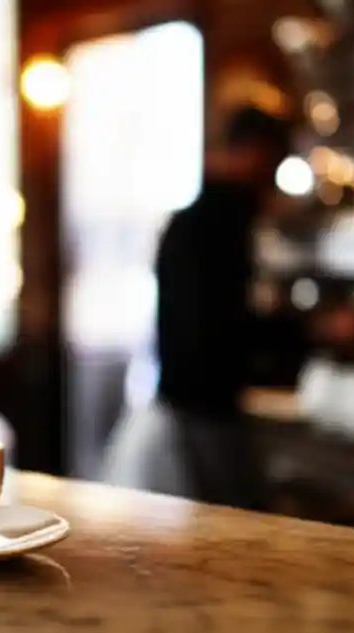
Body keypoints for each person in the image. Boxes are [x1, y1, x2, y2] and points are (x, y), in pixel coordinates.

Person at [103, 106, 292, 510]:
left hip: (188, 407)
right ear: (253, 152)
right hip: (203, 413)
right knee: (233, 534)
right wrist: (307, 335)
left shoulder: (191, 222)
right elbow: (219, 327)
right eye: (270, 161)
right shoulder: (220, 222)